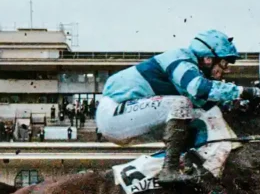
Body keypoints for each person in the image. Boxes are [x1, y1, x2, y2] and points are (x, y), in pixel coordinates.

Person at [94, 28, 250, 184]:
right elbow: (199, 88)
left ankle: (187, 164)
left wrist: (238, 102)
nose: (226, 69)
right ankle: (169, 170)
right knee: (180, 104)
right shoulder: (181, 59)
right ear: (208, 58)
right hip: (113, 114)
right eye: (223, 63)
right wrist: (242, 91)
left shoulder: (192, 68)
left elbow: (206, 104)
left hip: (127, 115)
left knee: (198, 115)